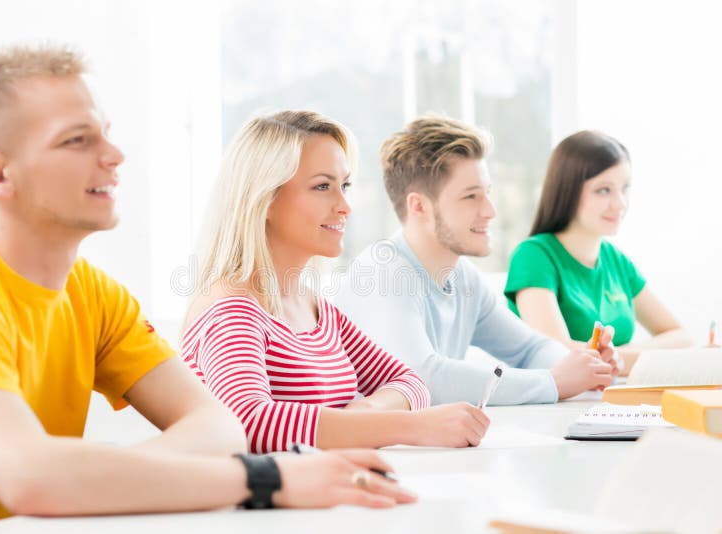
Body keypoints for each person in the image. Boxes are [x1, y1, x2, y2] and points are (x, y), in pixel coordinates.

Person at [0, 45, 414, 534]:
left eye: (106, 135)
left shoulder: (94, 294)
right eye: (77, 140)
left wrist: (85, 480)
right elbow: (30, 479)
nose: (115, 157)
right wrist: (267, 478)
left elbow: (220, 427)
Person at [181, 110, 490, 454]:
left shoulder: (317, 310)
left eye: (344, 186)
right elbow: (249, 423)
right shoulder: (232, 311)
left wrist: (367, 412)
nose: (345, 206)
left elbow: (410, 382)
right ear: (264, 199)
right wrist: (412, 427)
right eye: (323, 186)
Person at [335, 116, 617, 406]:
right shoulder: (382, 272)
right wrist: (555, 381)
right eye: (471, 197)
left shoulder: (463, 277)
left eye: (487, 193)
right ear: (418, 205)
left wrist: (583, 366)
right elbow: (422, 377)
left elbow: (529, 349)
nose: (490, 211)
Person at [504, 130, 691, 373]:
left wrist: (618, 358)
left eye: (624, 188)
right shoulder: (534, 256)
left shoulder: (615, 260)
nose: (620, 203)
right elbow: (557, 355)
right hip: (559, 405)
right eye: (604, 190)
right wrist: (631, 360)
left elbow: (681, 337)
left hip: (613, 399)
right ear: (568, 191)